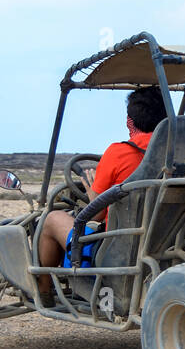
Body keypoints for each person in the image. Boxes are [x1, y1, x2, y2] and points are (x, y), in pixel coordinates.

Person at [38, 86, 168, 302]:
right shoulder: (175, 154)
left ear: (130, 121)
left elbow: (96, 215)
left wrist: (91, 190)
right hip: (165, 240)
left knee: (52, 219)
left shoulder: (119, 152)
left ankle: (43, 291)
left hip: (119, 246)